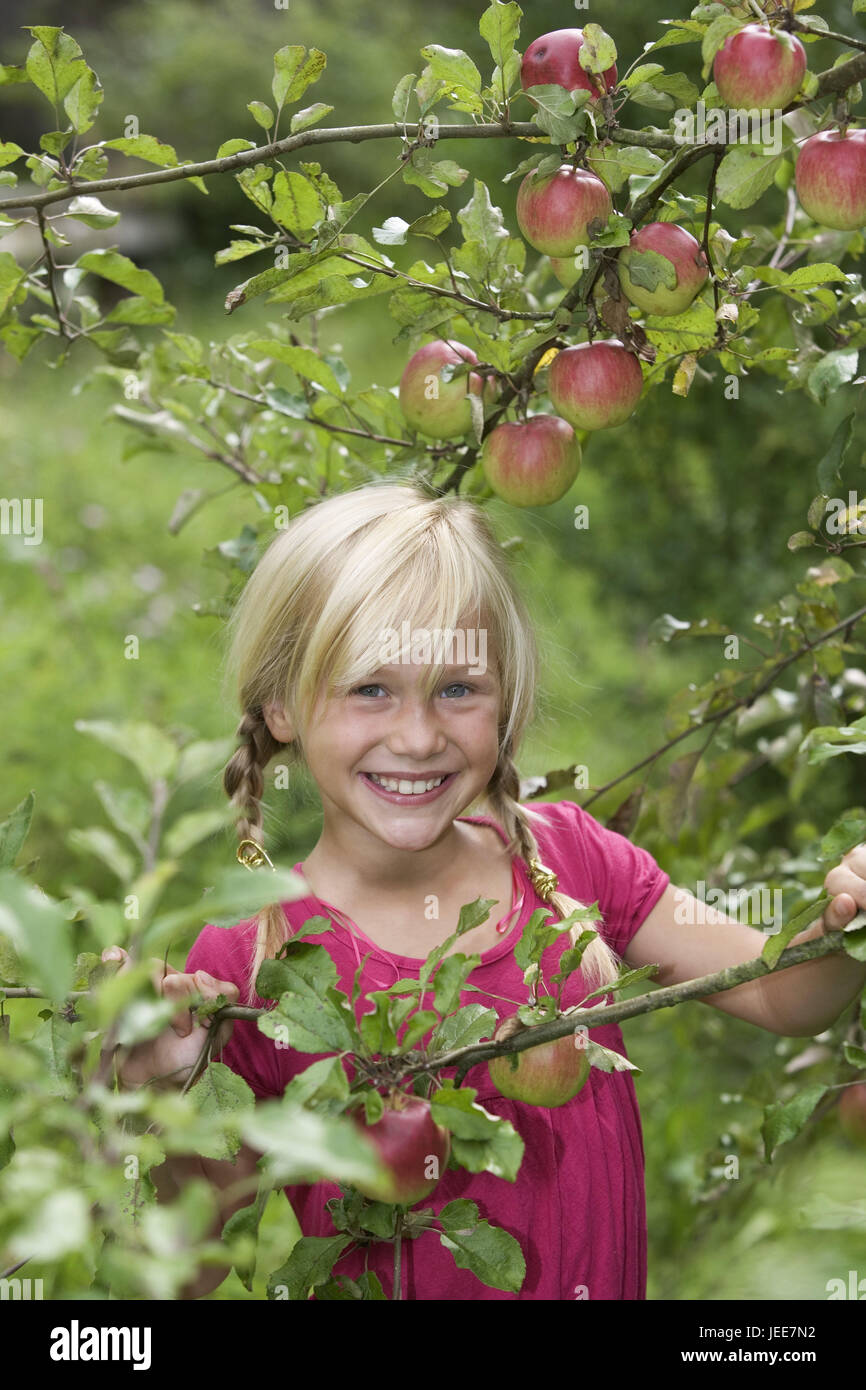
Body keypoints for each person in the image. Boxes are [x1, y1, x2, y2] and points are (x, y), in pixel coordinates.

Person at [104, 481, 866, 1300]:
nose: (419, 735)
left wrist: (847, 921)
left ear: (503, 697)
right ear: (281, 705)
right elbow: (184, 1272)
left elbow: (784, 994)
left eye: (457, 689)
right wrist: (159, 1094)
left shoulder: (570, 857)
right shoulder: (255, 958)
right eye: (370, 688)